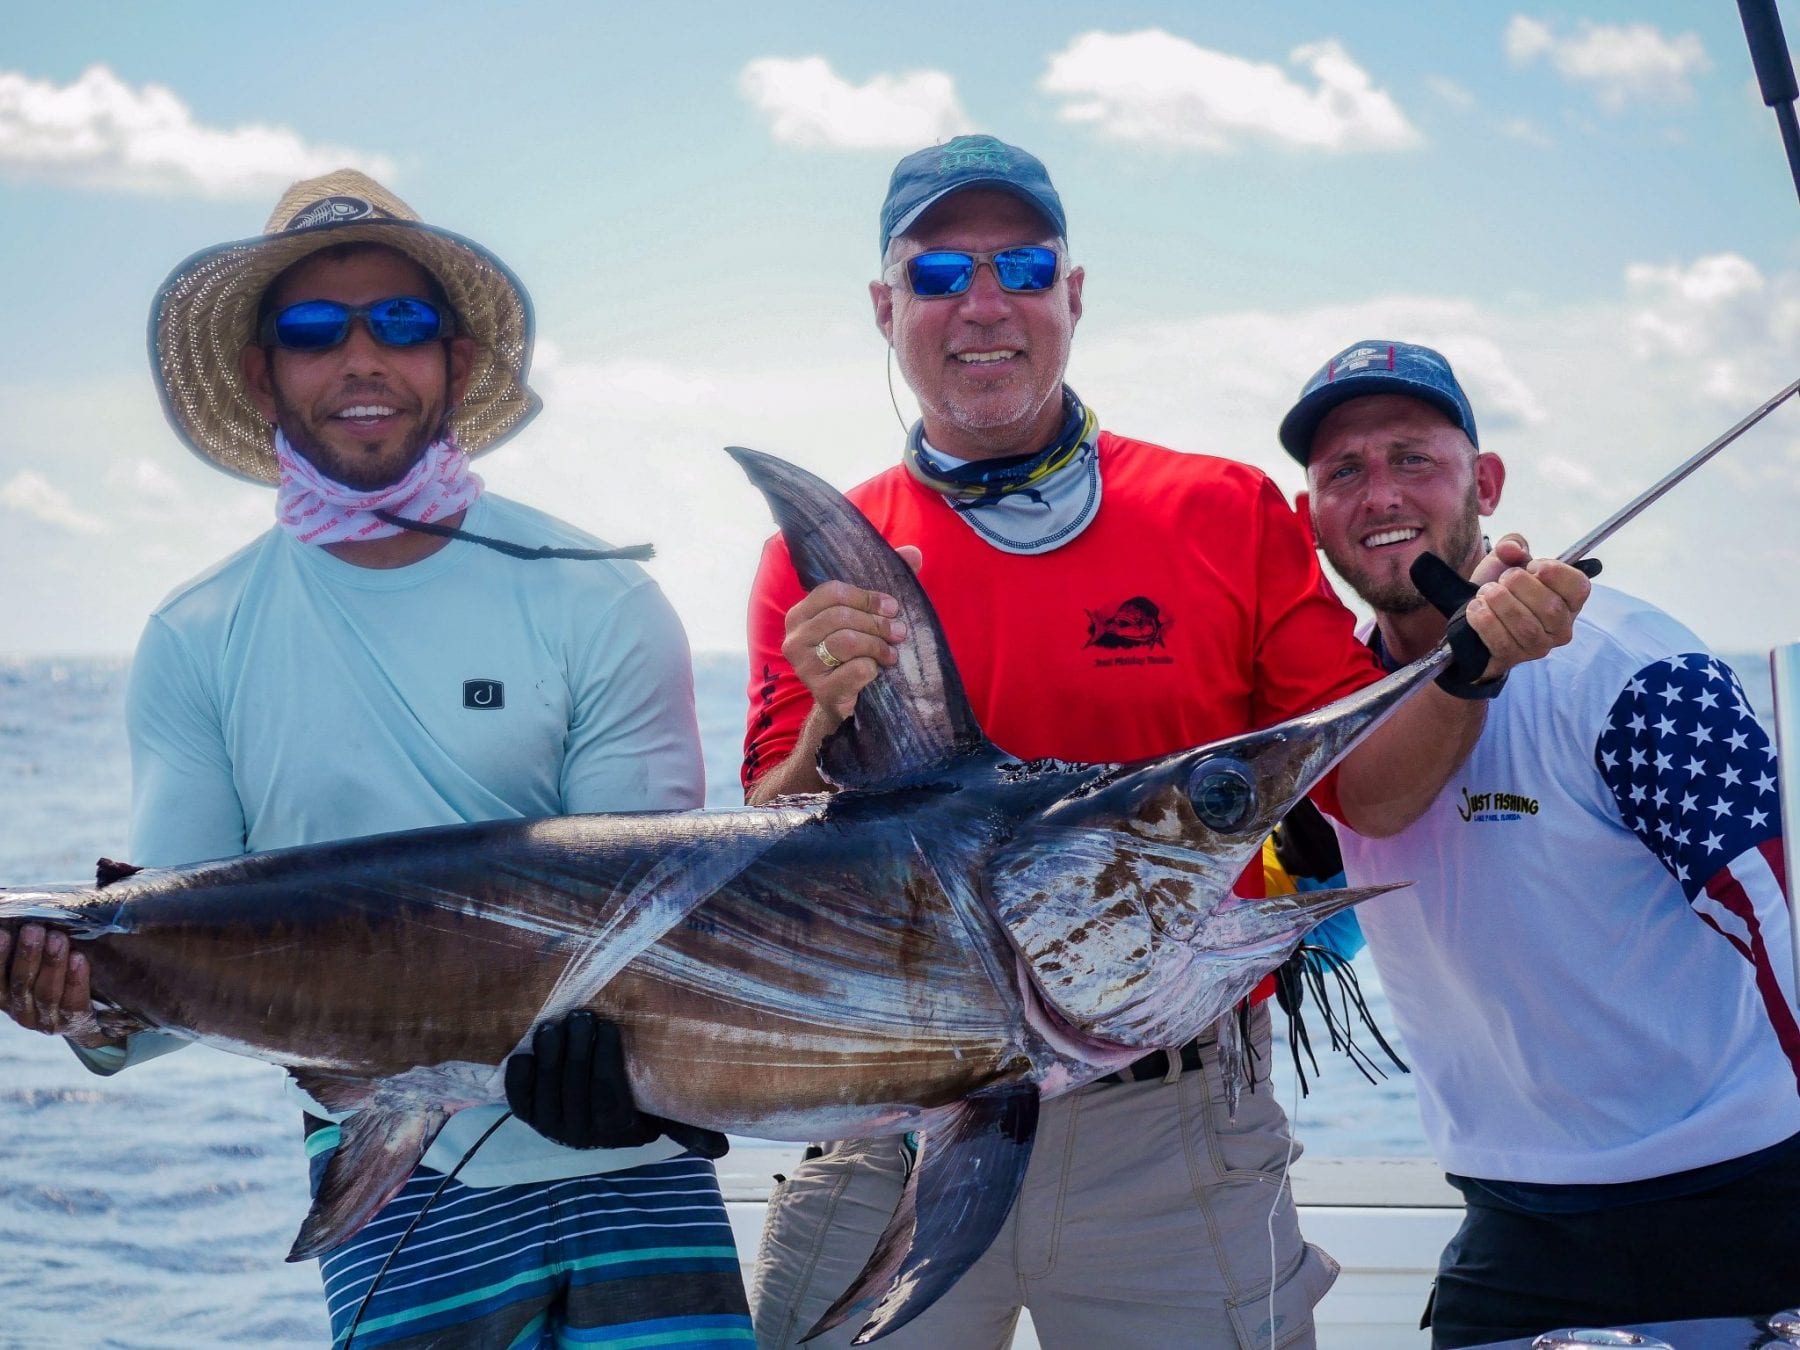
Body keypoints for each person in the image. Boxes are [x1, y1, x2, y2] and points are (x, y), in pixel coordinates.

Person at [739, 136, 1591, 1350]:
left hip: (1171, 1126)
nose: (984, 303)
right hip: (886, 1121)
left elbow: (1381, 793)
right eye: (939, 275)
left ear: (1071, 296)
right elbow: (760, 874)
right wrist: (824, 717)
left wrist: (1477, 664)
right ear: (888, 307)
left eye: (1022, 266)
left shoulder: (1222, 509)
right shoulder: (821, 554)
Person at [0, 171, 754, 1349]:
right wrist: (82, 1007)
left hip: (630, 1167)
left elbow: (651, 936)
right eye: (314, 330)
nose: (361, 359)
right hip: (393, 1184)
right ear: (263, 374)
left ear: (454, 361)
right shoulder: (198, 637)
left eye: (398, 323)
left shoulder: (597, 596)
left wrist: (619, 1064)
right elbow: (169, 964)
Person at [1286, 338, 1800, 1346]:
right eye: (1344, 471)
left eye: (1411, 459)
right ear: (1312, 517)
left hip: (1733, 1201)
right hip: (1510, 1218)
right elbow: (1292, 912)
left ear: (1484, 481)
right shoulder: (1327, 725)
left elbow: (1774, 919)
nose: (1379, 492)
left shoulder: (1635, 670)